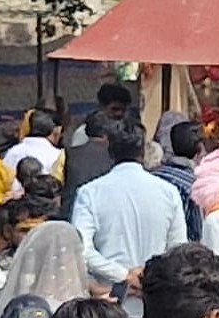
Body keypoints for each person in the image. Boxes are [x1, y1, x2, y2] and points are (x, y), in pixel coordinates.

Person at [71, 126, 190, 294]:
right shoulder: (168, 192)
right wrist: (144, 276)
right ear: (142, 153)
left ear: (110, 153)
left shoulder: (90, 193)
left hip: (108, 299)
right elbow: (178, 251)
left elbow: (81, 250)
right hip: (156, 299)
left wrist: (124, 275)